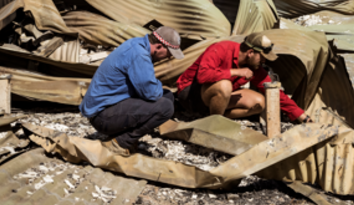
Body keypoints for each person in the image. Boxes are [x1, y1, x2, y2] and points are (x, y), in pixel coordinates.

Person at [80, 26, 185, 157]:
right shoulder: (139, 55)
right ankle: (119, 143)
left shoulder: (136, 43)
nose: (167, 58)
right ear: (158, 47)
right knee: (166, 107)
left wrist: (154, 85)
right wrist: (157, 83)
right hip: (102, 116)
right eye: (168, 54)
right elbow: (151, 93)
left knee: (167, 96)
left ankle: (125, 138)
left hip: (107, 108)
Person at [176, 32, 312, 123]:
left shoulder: (254, 67)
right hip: (189, 95)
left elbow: (276, 93)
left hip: (215, 99)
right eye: (262, 58)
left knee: (260, 102)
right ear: (250, 53)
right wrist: (235, 72)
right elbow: (203, 76)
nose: (264, 62)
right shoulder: (221, 49)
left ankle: (215, 115)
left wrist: (302, 117)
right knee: (225, 85)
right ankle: (214, 125)